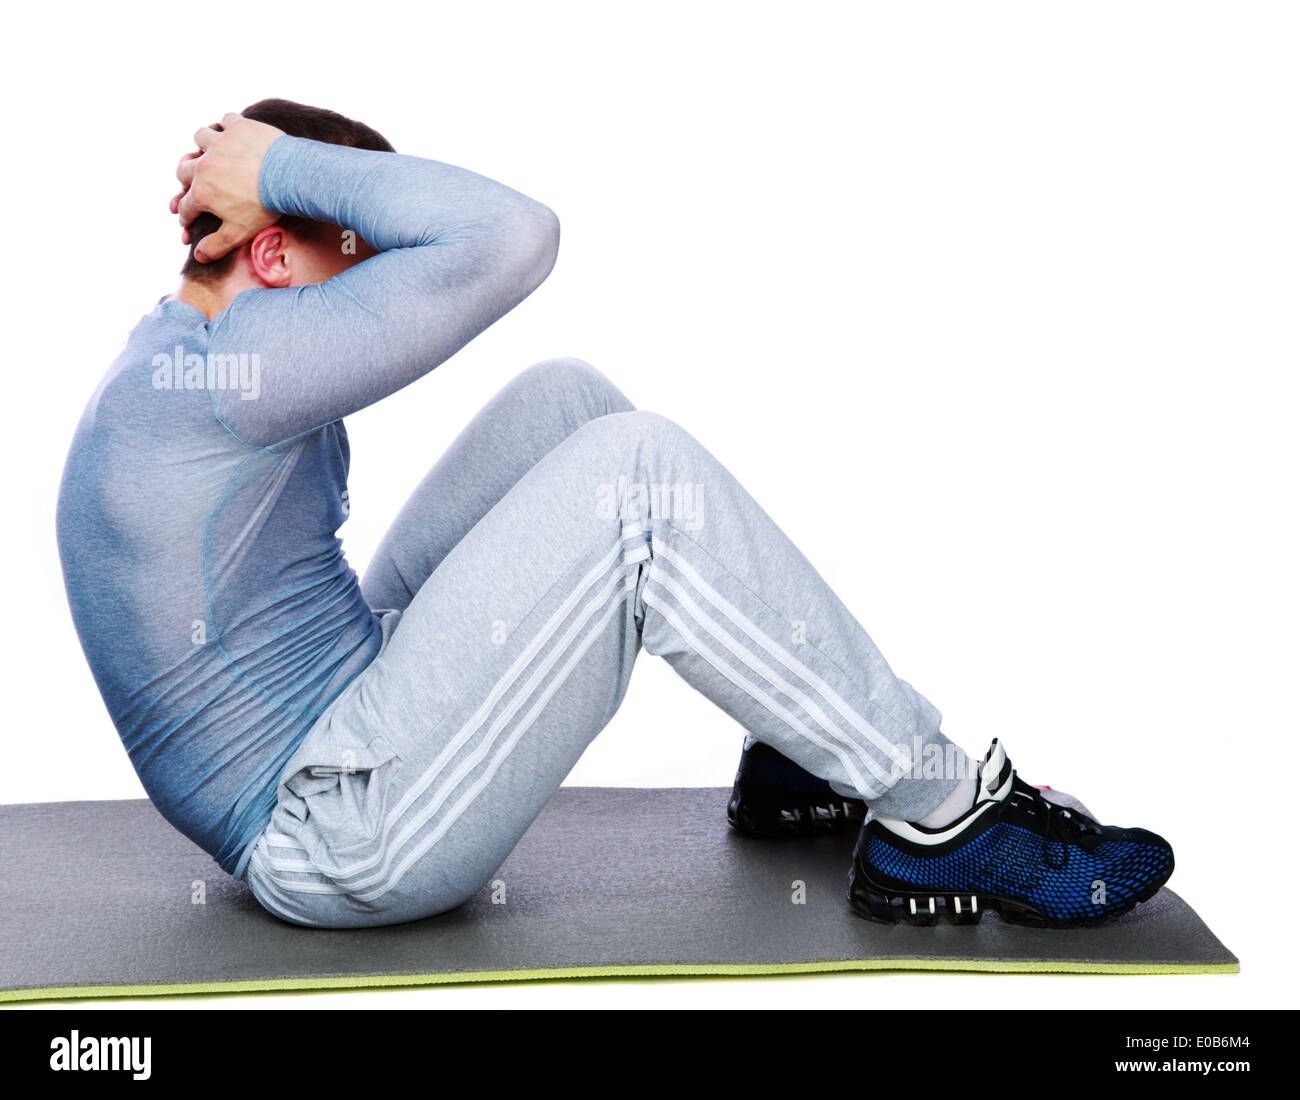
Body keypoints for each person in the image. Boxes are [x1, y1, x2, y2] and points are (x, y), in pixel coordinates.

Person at [56, 99, 1173, 930]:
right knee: (637, 475)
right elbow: (513, 236)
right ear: (268, 253)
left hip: (347, 708)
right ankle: (938, 815)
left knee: (568, 401)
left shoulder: (182, 356)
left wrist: (295, 180)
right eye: (356, 257)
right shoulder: (232, 374)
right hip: (337, 829)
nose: (380, 291)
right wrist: (286, 164)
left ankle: (805, 744)